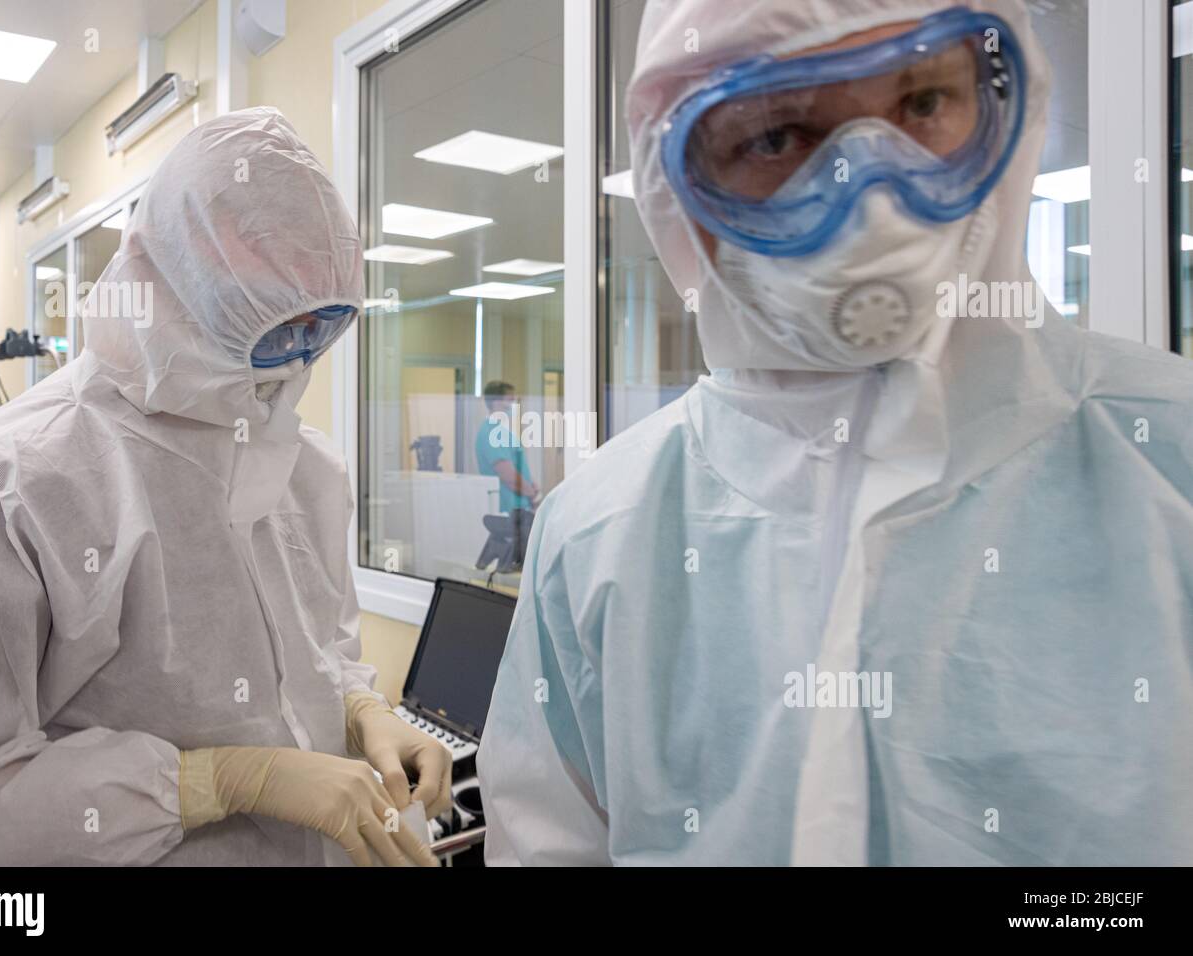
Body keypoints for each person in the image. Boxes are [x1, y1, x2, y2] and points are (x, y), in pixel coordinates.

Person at [478, 0, 1193, 865]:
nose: (869, 192)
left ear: (1005, 107)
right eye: (778, 135)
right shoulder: (594, 532)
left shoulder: (1170, 459)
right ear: (678, 188)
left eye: (922, 104)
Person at [0, 108, 450, 866]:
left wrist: (362, 710)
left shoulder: (304, 467)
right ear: (171, 284)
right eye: (269, 316)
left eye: (321, 322)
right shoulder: (4, 482)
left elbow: (317, 649)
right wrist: (216, 780)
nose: (296, 354)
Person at [475, 381, 539, 513]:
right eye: (510, 400)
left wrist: (531, 484)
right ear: (495, 401)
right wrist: (531, 494)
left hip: (519, 507)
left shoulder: (503, 432)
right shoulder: (491, 433)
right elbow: (508, 476)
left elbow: (518, 466)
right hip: (508, 511)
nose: (513, 405)